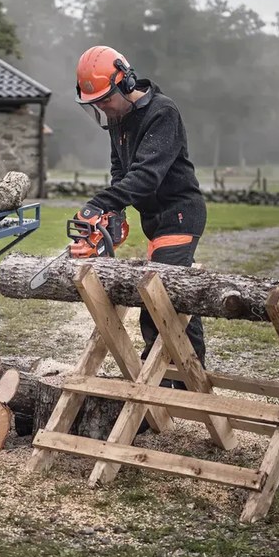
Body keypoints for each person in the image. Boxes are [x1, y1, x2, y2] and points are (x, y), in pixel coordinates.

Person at [73, 45, 208, 373]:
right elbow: (121, 172)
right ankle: (187, 371)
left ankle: (164, 374)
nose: (103, 108)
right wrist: (111, 216)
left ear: (126, 83)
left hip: (179, 213)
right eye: (96, 104)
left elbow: (146, 178)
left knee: (159, 295)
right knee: (174, 293)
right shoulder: (117, 119)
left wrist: (99, 204)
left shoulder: (162, 113)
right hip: (154, 218)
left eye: (105, 99)